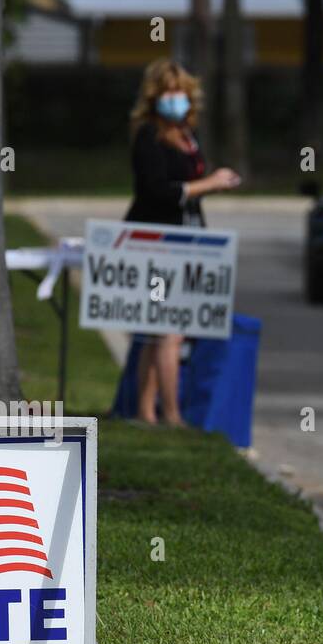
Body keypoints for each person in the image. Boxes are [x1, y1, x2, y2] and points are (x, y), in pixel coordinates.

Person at [125, 59, 241, 426]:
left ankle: (145, 412)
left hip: (188, 241)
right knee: (168, 330)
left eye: (180, 93)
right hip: (156, 244)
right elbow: (157, 190)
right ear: (154, 97)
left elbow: (188, 188)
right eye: (167, 93)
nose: (174, 100)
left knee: (157, 330)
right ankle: (170, 415)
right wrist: (210, 185)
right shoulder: (148, 136)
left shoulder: (188, 135)